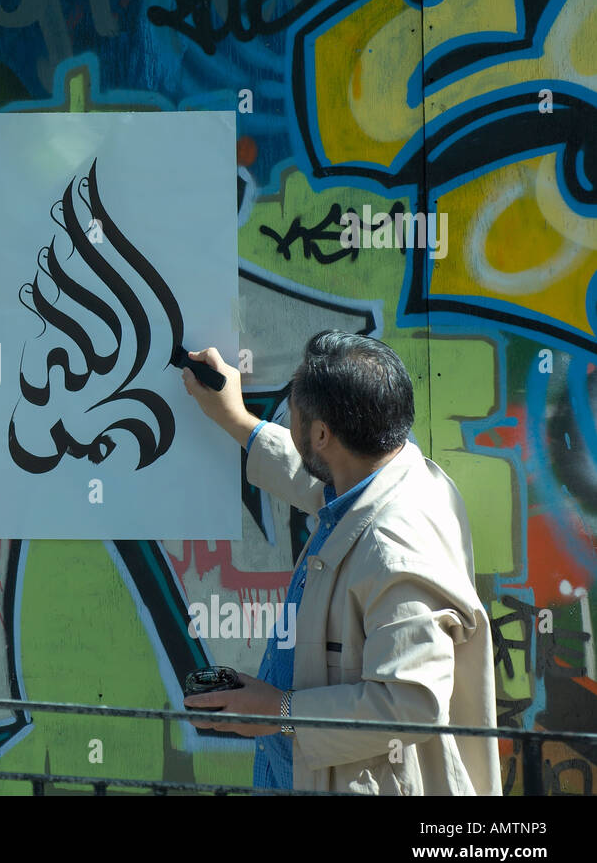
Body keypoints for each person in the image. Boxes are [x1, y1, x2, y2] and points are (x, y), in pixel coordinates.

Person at [180, 330, 501, 795]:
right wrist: (239, 423)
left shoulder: (396, 549)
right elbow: (321, 484)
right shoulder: (396, 477)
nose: (288, 417)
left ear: (323, 434)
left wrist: (279, 711)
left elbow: (411, 702)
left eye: (294, 411)